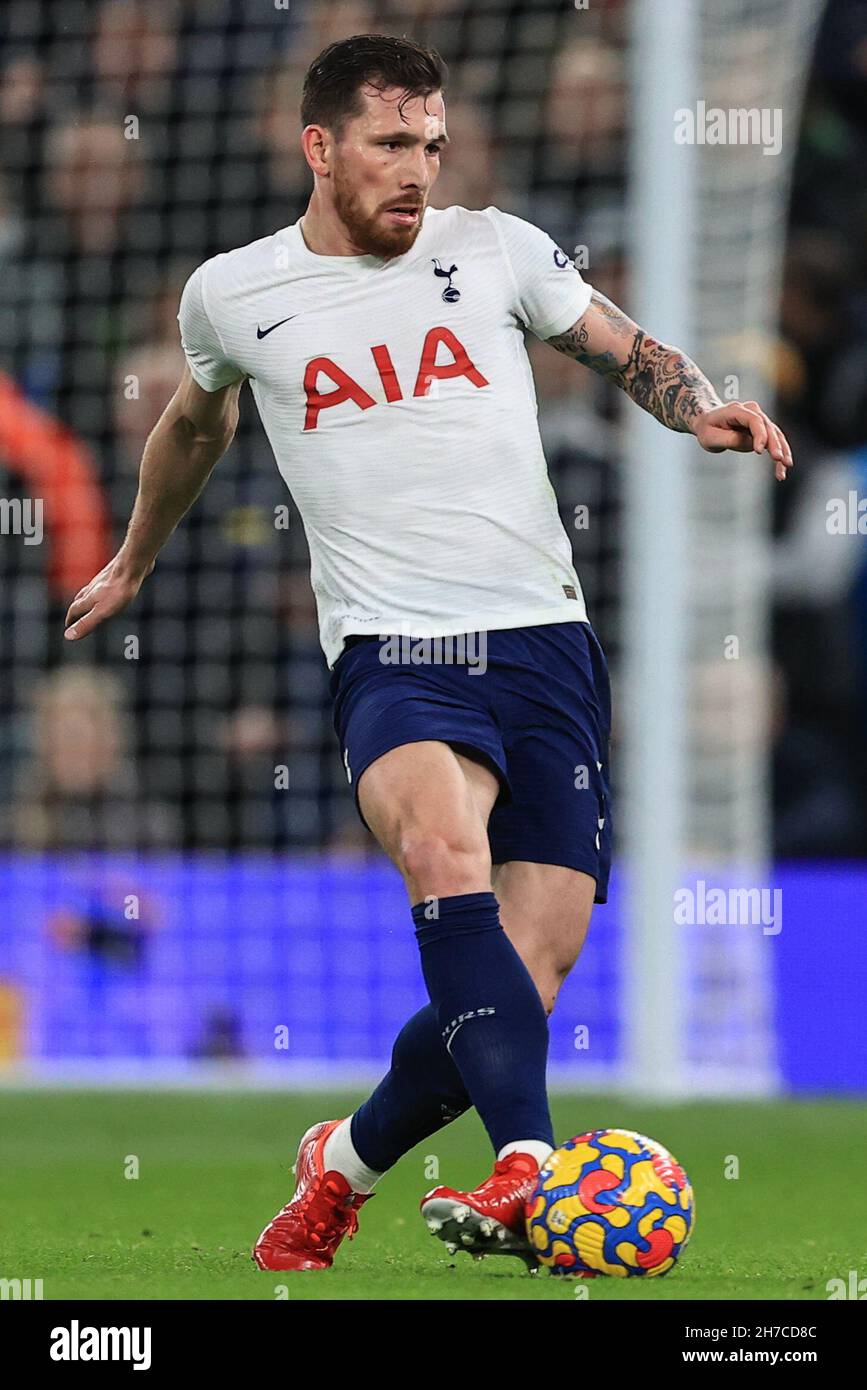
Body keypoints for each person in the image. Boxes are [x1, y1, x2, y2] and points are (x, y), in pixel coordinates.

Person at [63, 33, 793, 1272]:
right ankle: (528, 1168)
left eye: (434, 145)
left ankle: (340, 1163)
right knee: (443, 852)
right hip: (393, 646)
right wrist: (136, 557)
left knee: (527, 969)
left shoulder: (494, 246)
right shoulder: (235, 294)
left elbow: (617, 343)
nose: (420, 169)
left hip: (545, 642)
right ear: (322, 146)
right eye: (394, 144)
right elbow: (192, 430)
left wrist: (699, 403)